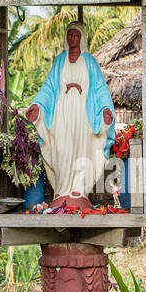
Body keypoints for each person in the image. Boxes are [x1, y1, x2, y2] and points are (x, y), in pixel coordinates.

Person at [25, 21, 115, 210]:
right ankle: (62, 190)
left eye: (76, 35)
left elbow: (99, 88)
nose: (72, 38)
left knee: (82, 148)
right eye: (69, 35)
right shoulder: (59, 61)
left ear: (81, 38)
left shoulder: (89, 61)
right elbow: (48, 88)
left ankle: (78, 191)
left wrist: (106, 108)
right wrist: (37, 105)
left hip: (83, 114)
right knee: (62, 149)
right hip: (61, 114)